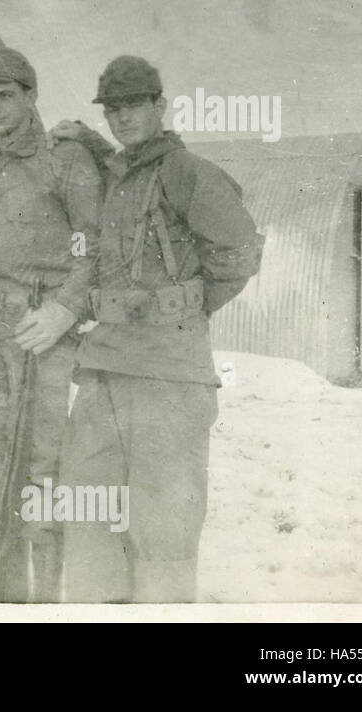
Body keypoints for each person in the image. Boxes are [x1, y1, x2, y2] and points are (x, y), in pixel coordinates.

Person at [60, 56, 263, 603]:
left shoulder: (186, 171)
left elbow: (241, 252)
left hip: (168, 375)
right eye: (112, 110)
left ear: (159, 106)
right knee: (90, 512)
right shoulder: (118, 172)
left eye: (132, 106)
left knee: (164, 523)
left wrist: (181, 306)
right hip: (106, 365)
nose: (121, 118)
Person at [0, 46, 102, 602]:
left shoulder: (65, 159)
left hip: (43, 337)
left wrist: (64, 311)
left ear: (31, 98)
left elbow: (94, 245)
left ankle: (48, 601)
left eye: (6, 96)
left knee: (43, 468)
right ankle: (2, 597)